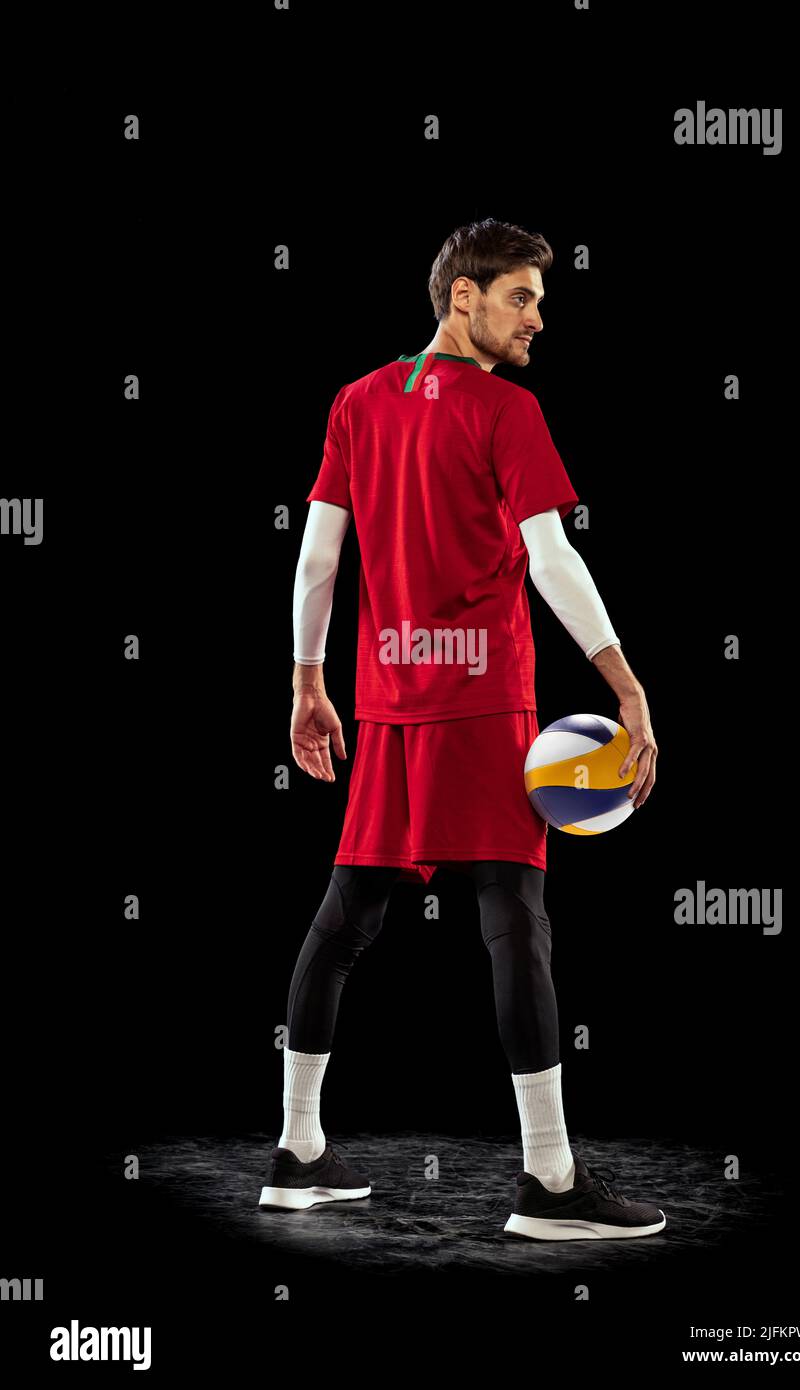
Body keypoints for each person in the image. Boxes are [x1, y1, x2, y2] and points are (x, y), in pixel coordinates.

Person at [258, 219, 664, 1240]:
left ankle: (298, 1152)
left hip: (389, 704)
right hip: (485, 704)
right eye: (522, 296)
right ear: (463, 300)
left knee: (345, 919)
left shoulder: (358, 401)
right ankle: (550, 1180)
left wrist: (309, 681)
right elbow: (552, 561)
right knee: (514, 918)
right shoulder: (505, 408)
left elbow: (315, 562)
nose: (538, 317)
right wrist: (627, 684)